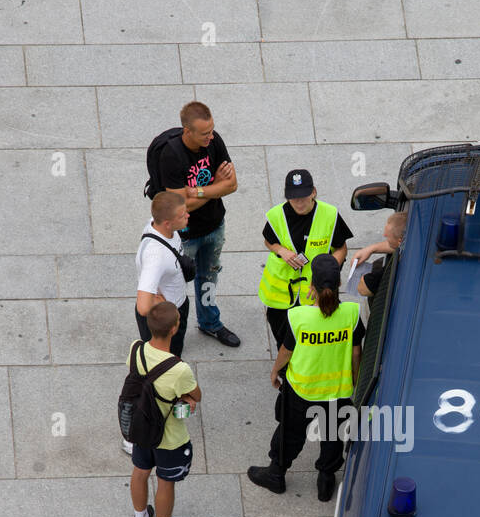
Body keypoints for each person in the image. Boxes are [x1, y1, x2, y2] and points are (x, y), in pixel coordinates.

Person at [248, 254, 365, 502]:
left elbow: (286, 351)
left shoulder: (299, 317)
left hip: (302, 390)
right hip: (338, 391)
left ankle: (276, 474)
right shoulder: (352, 314)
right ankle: (325, 481)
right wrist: (356, 381)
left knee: (290, 433)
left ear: (311, 286)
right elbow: (356, 353)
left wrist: (274, 371)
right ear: (339, 285)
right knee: (332, 435)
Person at [157, 100, 240, 348]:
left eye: (211, 130)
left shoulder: (215, 141)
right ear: (187, 131)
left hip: (214, 227)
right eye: (204, 133)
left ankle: (210, 323)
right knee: (174, 284)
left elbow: (232, 185)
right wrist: (216, 186)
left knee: (209, 278)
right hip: (184, 235)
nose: (210, 137)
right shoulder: (170, 155)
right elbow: (177, 206)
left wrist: (198, 192)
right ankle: (169, 331)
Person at [130, 301, 200, 517]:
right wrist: (184, 398)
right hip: (169, 437)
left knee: (140, 472)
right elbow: (196, 395)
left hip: (141, 428)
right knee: (165, 481)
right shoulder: (180, 369)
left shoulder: (136, 349)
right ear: (174, 329)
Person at [258, 169, 352, 350]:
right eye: (293, 197)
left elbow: (341, 248)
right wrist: (281, 251)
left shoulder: (330, 214)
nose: (299, 202)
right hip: (281, 294)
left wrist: (326, 276)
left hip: (316, 293)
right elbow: (269, 241)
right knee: (283, 339)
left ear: (314, 192)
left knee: (312, 340)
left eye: (304, 196)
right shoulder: (276, 215)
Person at [128, 191, 191, 453]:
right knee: (154, 373)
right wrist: (161, 304)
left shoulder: (161, 227)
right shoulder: (155, 256)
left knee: (167, 363)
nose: (187, 215)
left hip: (175, 310)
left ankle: (168, 400)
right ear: (167, 223)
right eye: (182, 214)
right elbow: (143, 305)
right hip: (165, 319)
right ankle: (139, 428)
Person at [353, 211, 408, 298]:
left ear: (400, 241)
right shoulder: (415, 240)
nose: (383, 235)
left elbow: (363, 289)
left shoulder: (401, 264)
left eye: (387, 236)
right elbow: (395, 245)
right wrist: (370, 249)